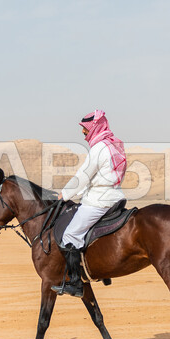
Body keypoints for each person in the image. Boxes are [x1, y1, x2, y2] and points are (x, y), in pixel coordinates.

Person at [53, 110, 127, 298]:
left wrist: (65, 194)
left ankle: (76, 284)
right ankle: (103, 272)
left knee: (71, 234)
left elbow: (84, 175)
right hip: (115, 196)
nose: (84, 134)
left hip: (99, 199)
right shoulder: (114, 145)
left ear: (94, 128)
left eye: (85, 130)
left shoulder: (99, 148)